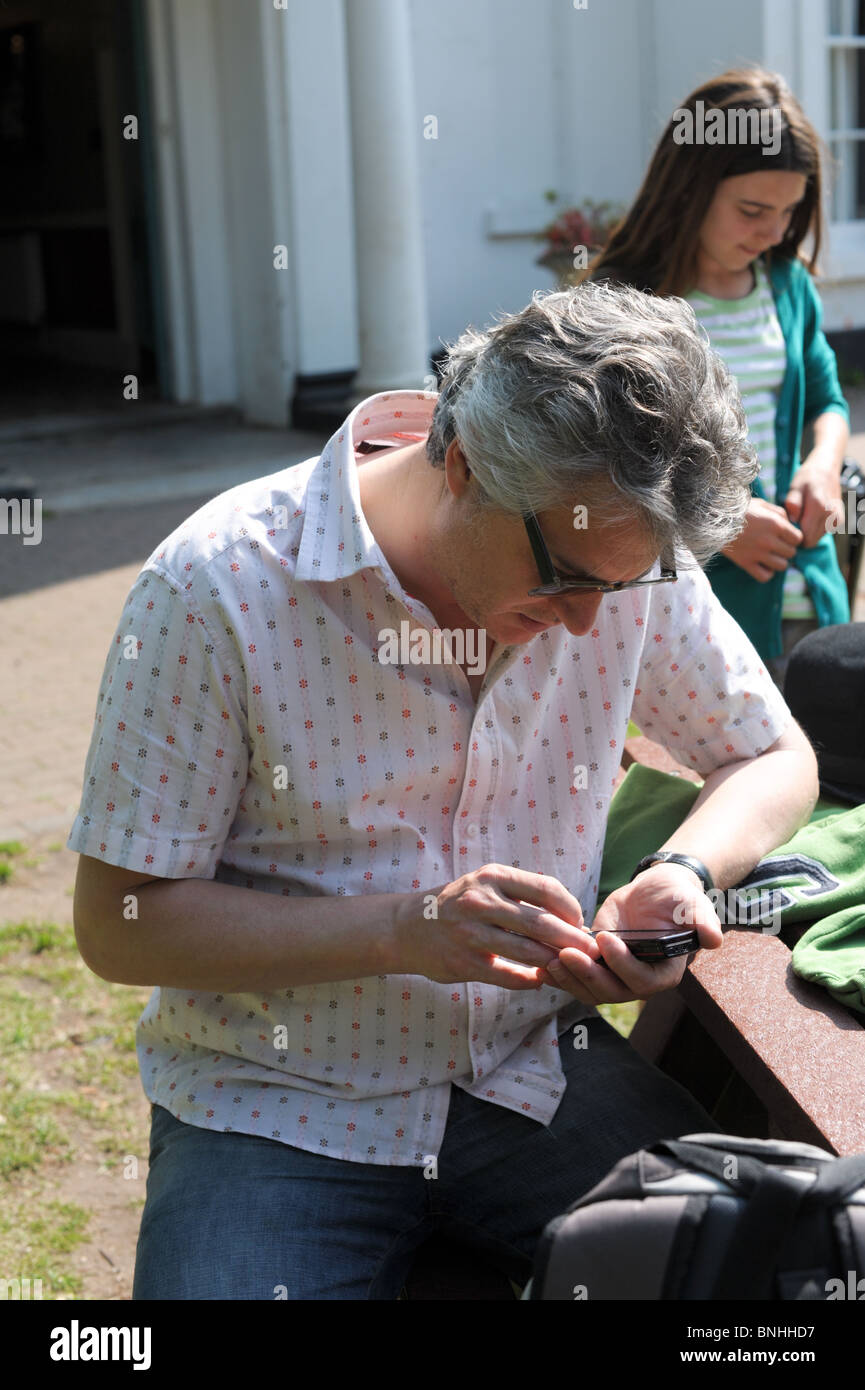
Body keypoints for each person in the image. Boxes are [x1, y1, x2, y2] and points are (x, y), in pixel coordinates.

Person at [69, 281, 819, 1300]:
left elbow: (772, 756)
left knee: (790, 1273)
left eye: (622, 586)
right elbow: (120, 924)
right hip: (278, 1101)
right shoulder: (213, 586)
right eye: (563, 580)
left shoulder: (614, 546)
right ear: (460, 461)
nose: (589, 626)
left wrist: (683, 871)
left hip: (531, 1074)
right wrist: (399, 930)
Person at [580, 65, 851, 686]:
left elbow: (829, 401)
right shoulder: (625, 303)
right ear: (688, 189)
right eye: (753, 209)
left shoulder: (789, 288)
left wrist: (823, 465)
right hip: (689, 608)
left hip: (806, 592)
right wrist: (719, 519)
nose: (775, 231)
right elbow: (601, 462)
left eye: (790, 211)